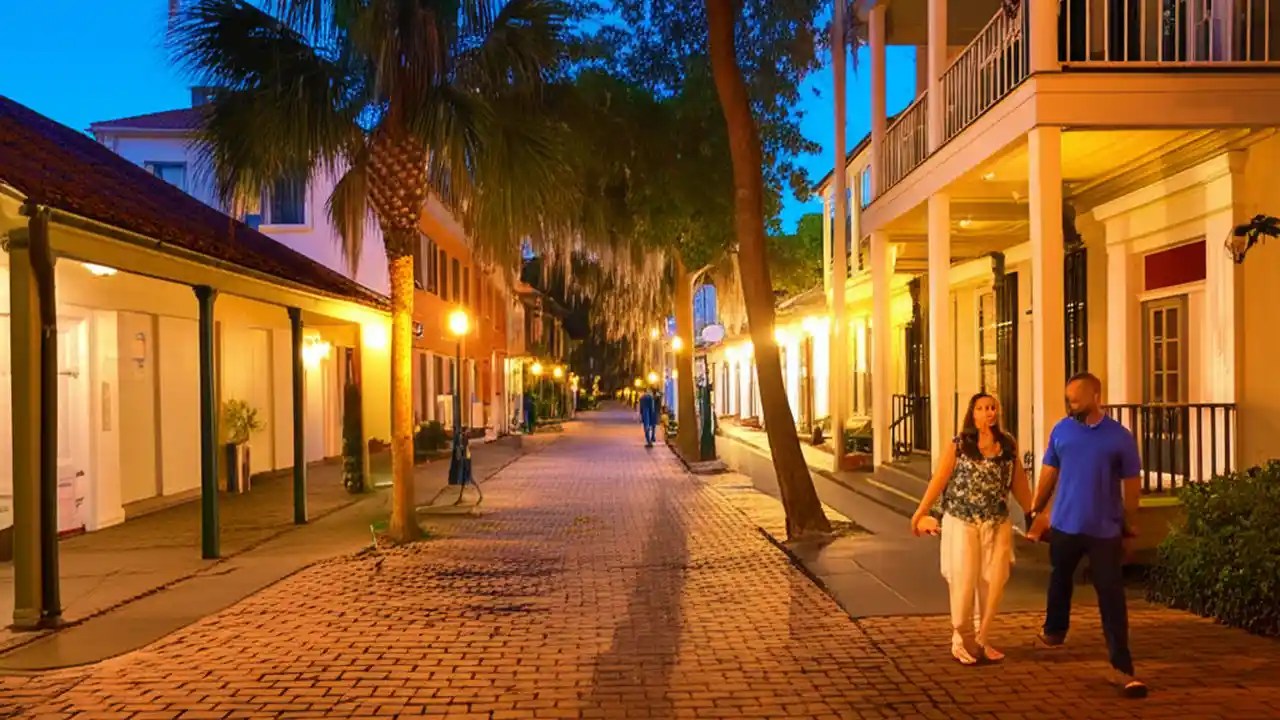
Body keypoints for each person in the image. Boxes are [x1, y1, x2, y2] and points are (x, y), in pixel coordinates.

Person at [1027, 372, 1148, 699]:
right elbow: (1049, 471)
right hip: (1065, 524)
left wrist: (1130, 520)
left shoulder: (1119, 437)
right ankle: (1055, 630)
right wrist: (1036, 509)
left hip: (1104, 529)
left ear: (1096, 396)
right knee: (1059, 578)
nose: (1071, 404)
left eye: (1076, 399)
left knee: (1111, 597)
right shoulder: (1062, 430)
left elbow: (1132, 484)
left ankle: (1123, 668)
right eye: (1068, 399)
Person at [911, 393, 1034, 665]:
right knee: (964, 578)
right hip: (962, 519)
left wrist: (1033, 514)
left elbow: (1020, 485)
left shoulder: (1007, 444)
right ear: (973, 413)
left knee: (993, 579)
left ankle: (982, 638)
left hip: (996, 521)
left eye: (992, 407)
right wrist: (921, 512)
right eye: (981, 408)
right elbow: (939, 480)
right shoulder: (960, 445)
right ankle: (962, 637)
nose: (987, 412)